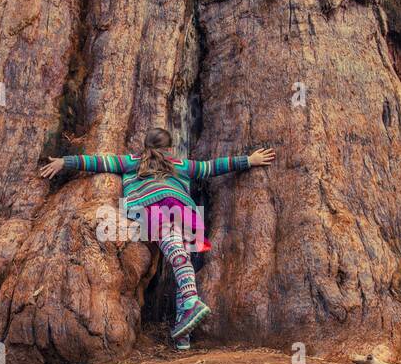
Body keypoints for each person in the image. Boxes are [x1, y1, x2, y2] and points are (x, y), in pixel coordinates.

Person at [40, 127, 275, 349]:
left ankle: (188, 315)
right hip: (181, 210)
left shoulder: (132, 162)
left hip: (149, 210)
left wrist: (65, 162)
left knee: (176, 254)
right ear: (170, 148)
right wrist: (249, 160)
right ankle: (186, 324)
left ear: (145, 146)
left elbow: (98, 162)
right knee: (181, 257)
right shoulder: (180, 165)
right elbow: (211, 167)